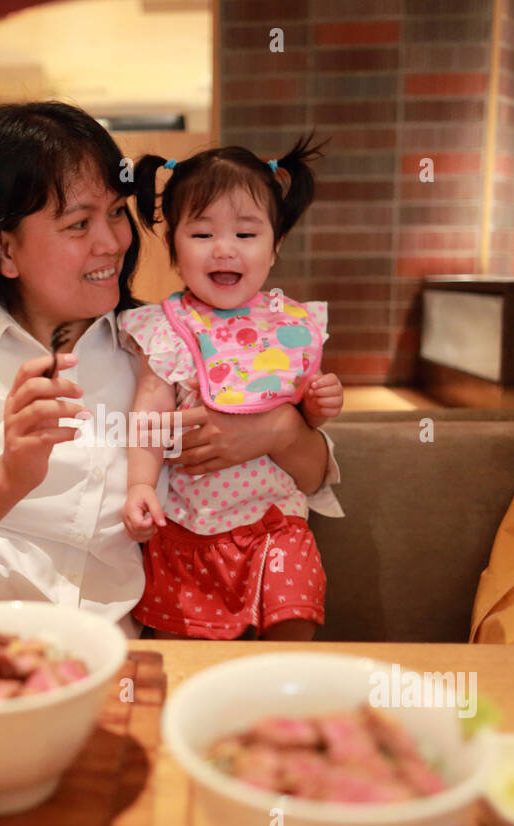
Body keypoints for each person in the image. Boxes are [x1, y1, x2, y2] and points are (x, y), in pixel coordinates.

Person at [0, 102, 342, 640]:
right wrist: (9, 476)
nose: (112, 242)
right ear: (5, 249)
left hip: (99, 655)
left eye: (115, 212)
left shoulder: (158, 346)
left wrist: (280, 428)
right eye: (79, 223)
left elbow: (306, 478)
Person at [119, 138, 344, 641]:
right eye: (201, 233)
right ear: (174, 245)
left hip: (276, 526)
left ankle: (287, 712)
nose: (224, 247)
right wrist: (138, 484)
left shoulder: (290, 326)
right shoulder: (166, 330)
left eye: (246, 232)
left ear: (276, 244)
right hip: (188, 528)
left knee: (293, 627)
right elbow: (149, 414)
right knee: (183, 653)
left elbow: (302, 416)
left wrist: (319, 403)